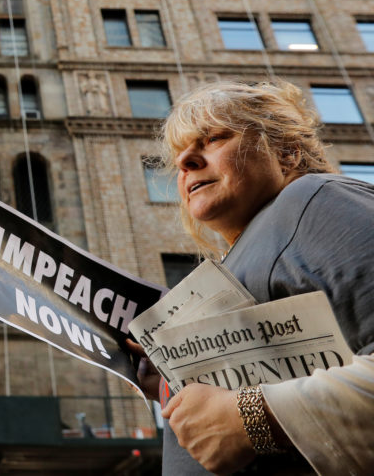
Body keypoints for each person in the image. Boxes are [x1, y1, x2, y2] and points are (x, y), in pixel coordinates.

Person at [140, 80, 374, 475]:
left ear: (286, 152)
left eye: (213, 138)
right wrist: (182, 372)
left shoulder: (314, 198)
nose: (186, 162)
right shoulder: (251, 246)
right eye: (180, 156)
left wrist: (251, 416)